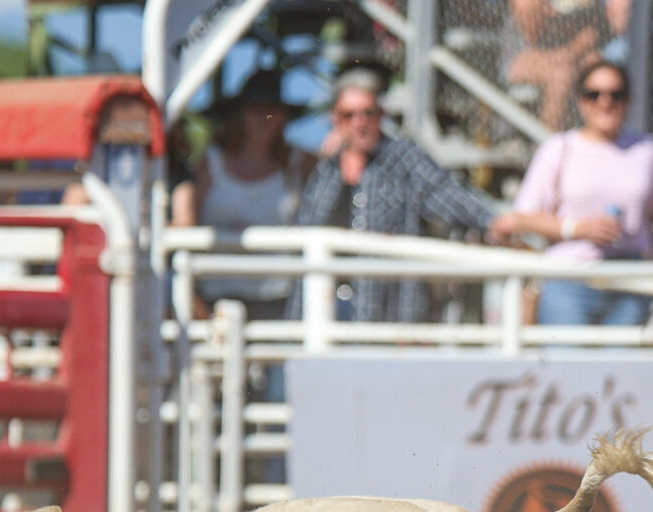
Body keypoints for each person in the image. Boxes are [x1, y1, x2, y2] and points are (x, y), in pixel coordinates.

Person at [298, 71, 503, 324]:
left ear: (381, 115)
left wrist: (493, 222)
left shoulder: (403, 159)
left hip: (387, 312)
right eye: (348, 115)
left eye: (368, 113)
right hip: (327, 306)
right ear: (335, 120)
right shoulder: (325, 171)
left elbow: (448, 195)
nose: (359, 123)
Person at [489, 57, 653, 327]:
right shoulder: (559, 147)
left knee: (623, 368)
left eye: (615, 94)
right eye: (593, 94)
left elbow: (652, 216)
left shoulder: (647, 150)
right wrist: (578, 229)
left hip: (629, 280)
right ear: (580, 100)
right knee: (566, 368)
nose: (604, 102)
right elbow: (521, 218)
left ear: (628, 100)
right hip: (570, 280)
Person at [172, 71, 311, 318]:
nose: (264, 118)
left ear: (283, 118)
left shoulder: (301, 163)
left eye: (272, 110)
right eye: (255, 109)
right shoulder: (209, 163)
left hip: (278, 296)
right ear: (239, 115)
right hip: (215, 293)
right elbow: (186, 222)